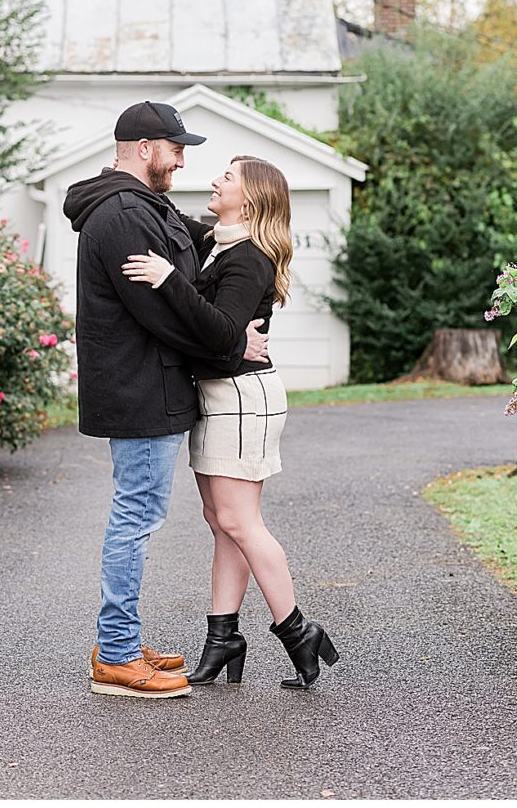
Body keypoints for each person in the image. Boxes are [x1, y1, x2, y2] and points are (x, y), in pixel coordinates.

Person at [63, 102, 267, 699]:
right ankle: (119, 657)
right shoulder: (125, 214)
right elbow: (162, 317)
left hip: (148, 386)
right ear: (145, 147)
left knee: (137, 514)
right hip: (140, 388)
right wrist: (232, 347)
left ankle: (120, 641)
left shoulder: (142, 207)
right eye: (175, 148)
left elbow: (197, 251)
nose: (183, 159)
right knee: (135, 517)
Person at [121, 154, 339, 690]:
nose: (216, 180)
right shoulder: (217, 241)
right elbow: (171, 218)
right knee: (220, 522)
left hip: (242, 398)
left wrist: (170, 279)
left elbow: (219, 331)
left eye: (228, 177)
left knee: (241, 523)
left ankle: (297, 631)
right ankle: (223, 640)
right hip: (219, 394)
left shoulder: (250, 260)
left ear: (252, 197)